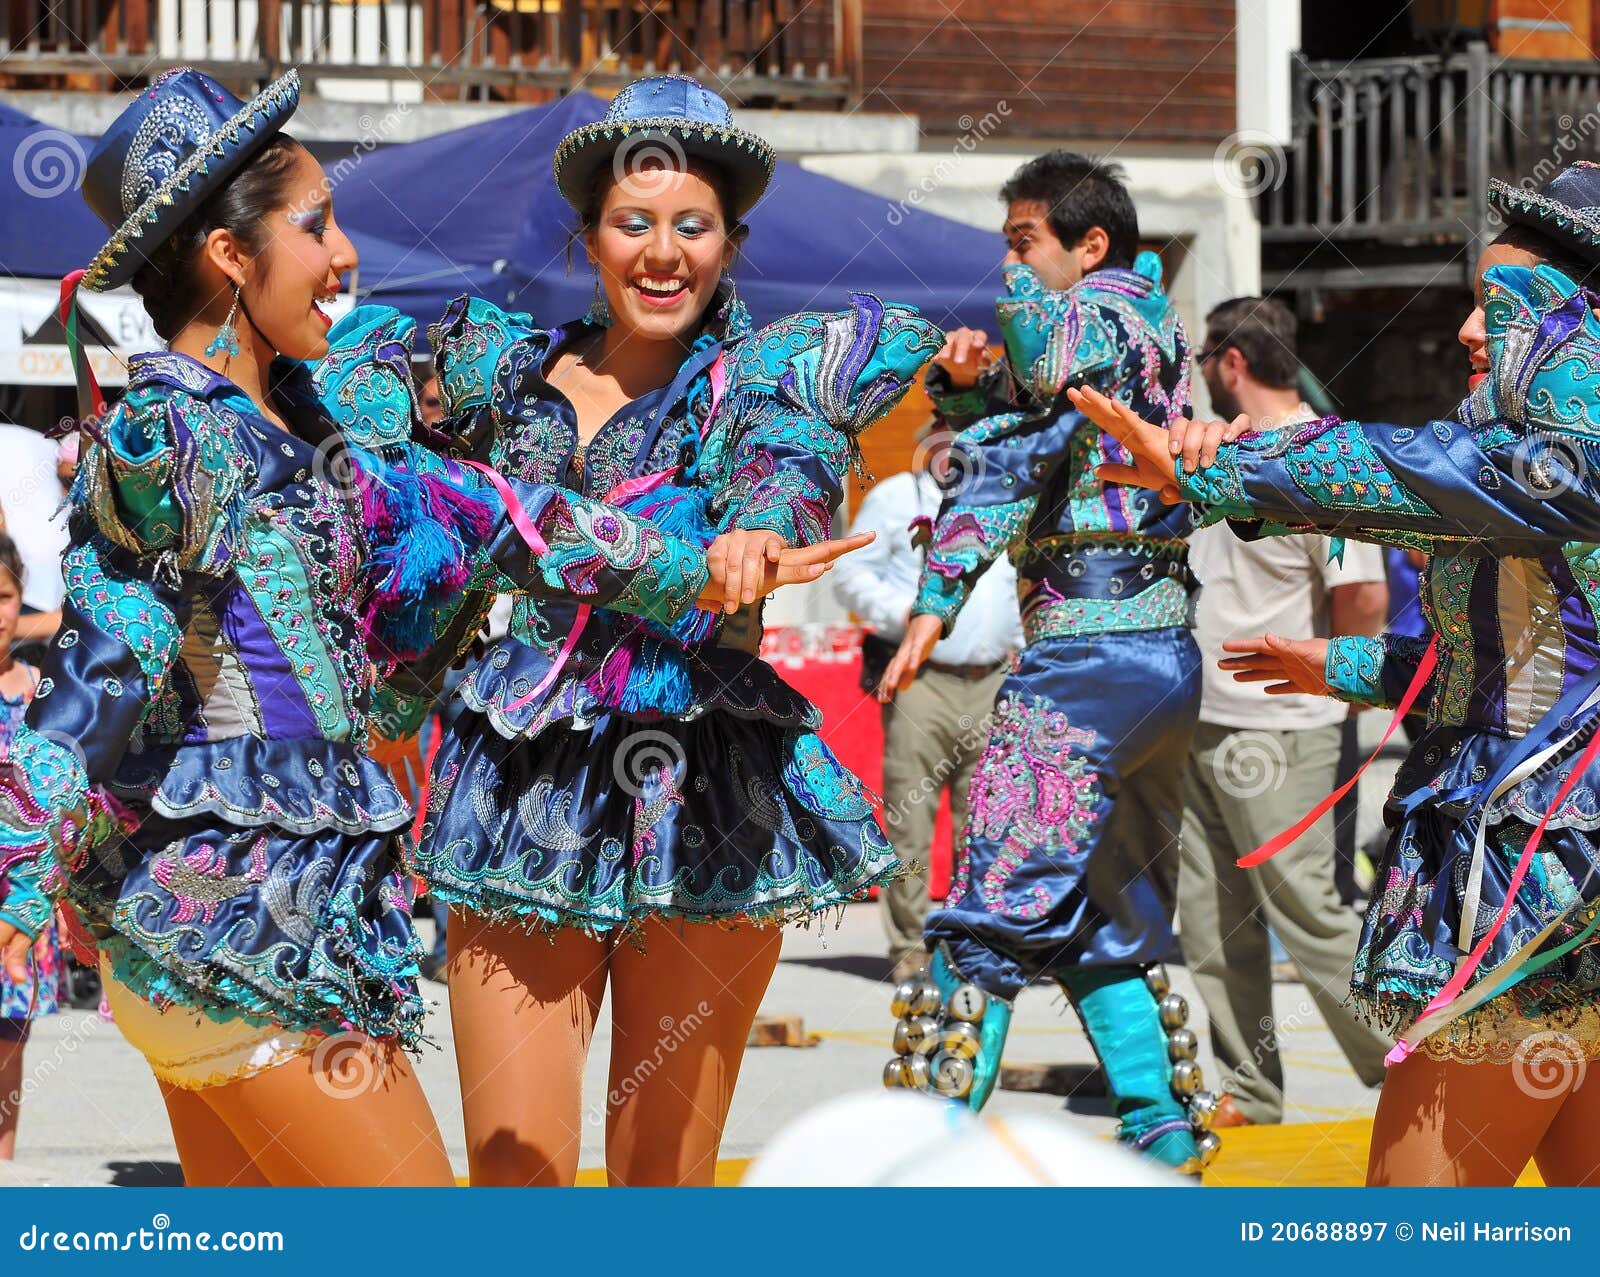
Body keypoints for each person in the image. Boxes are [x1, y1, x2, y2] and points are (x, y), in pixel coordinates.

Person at [0, 66, 849, 1187]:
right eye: (316, 226)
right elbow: (104, 661)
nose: (344, 255)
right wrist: (15, 871)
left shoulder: (310, 424)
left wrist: (700, 568)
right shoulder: (179, 441)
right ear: (228, 256)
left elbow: (516, 521)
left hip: (253, 934)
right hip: (243, 928)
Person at [416, 74, 942, 1187]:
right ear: (591, 237)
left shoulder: (758, 383)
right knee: (518, 1176)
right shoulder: (506, 377)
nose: (664, 253)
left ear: (731, 241)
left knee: (665, 1185)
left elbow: (783, 468)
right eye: (635, 222)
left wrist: (758, 531)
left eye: (691, 226)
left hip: (703, 787)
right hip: (521, 777)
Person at [1069, 160, 1600, 1187]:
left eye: (1497, 308)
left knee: (1418, 1212)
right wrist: (1340, 661)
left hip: (1535, 860)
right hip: (1553, 841)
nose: (1468, 334)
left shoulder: (1558, 465)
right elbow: (1495, 665)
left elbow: (1437, 474)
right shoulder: (1535, 471)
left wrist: (1221, 469)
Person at [876, 150, 1214, 1171]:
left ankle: (921, 1157)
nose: (1009, 270)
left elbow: (1018, 456)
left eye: (1023, 244)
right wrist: (979, 391)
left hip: (1081, 659)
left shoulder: (1082, 324)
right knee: (1101, 903)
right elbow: (1041, 436)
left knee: (987, 906)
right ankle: (1162, 1131)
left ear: (1089, 244)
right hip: (1162, 655)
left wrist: (934, 599)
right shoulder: (1160, 330)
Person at [1178, 296, 1392, 1129]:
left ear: (1232, 362)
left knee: (1306, 908)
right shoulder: (1227, 449)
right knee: (1209, 912)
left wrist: (1328, 691)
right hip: (1207, 712)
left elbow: (1364, 594)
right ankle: (1249, 1089)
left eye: (1206, 359)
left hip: (1281, 724)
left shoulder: (1323, 452)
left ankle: (1408, 1062)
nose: (1201, 374)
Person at [832, 415, 1021, 982]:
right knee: (910, 816)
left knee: (984, 818)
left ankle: (971, 941)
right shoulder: (895, 498)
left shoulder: (1008, 500)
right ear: (928, 443)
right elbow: (848, 575)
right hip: (923, 679)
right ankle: (909, 945)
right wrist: (908, 617)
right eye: (946, 437)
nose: (956, 451)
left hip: (995, 679)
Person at [0, 533, 60, 1160]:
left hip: (25, 887)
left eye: (4, 596)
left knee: (8, 1043)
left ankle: (5, 1174)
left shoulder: (44, 693)